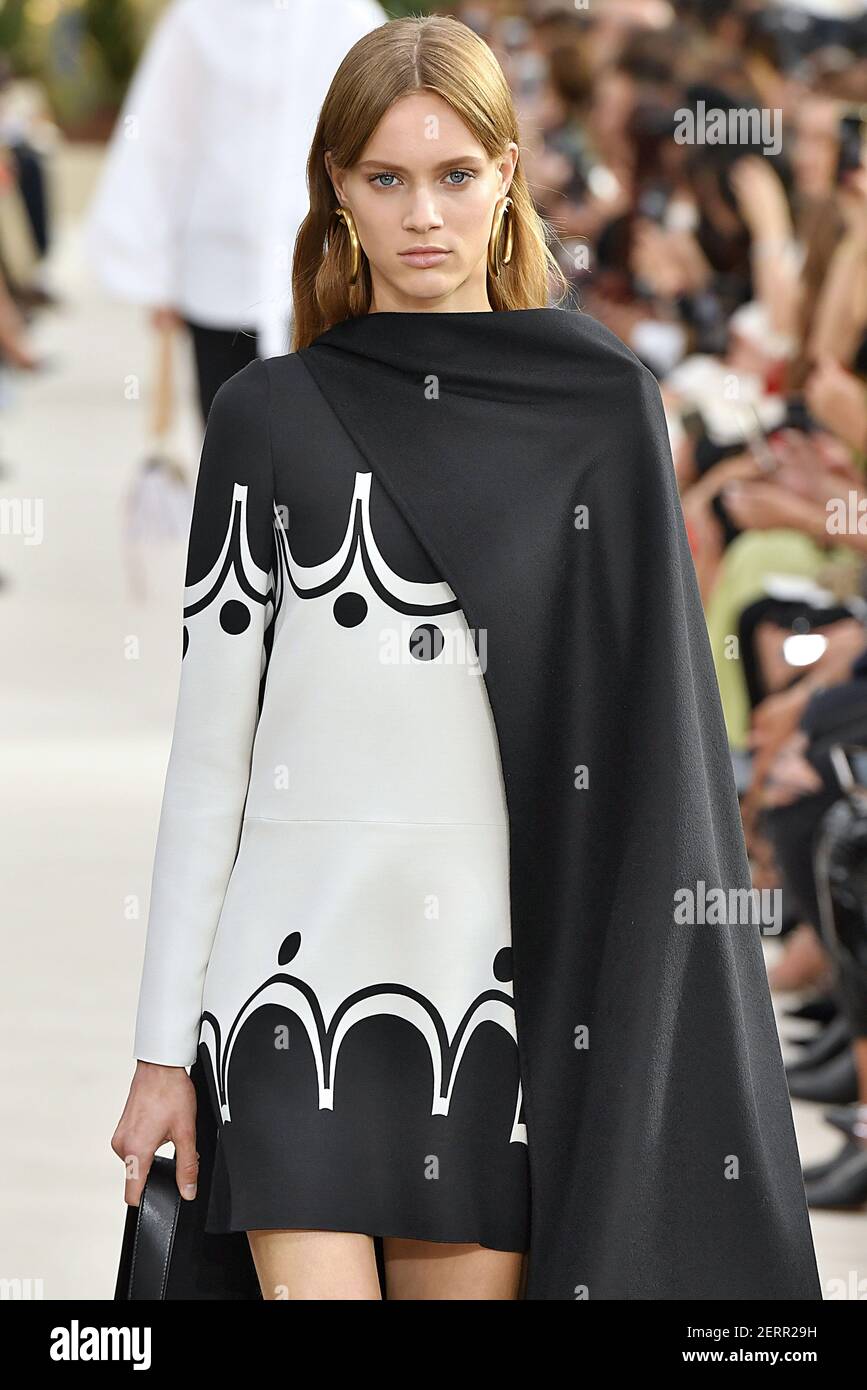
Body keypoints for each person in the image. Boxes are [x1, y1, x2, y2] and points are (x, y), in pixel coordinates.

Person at [111, 14, 822, 1301]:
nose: (422, 214)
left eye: (453, 174)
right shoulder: (265, 418)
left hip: (490, 1017)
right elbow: (209, 761)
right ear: (338, 188)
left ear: (507, 178)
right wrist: (164, 1049)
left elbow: (654, 764)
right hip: (284, 1007)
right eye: (386, 178)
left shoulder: (601, 413)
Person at [83, 0, 384, 422]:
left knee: (316, 429)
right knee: (227, 425)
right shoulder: (198, 17)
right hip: (217, 271)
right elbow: (160, 139)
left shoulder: (347, 15)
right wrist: (153, 272)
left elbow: (380, 126)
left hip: (322, 264)